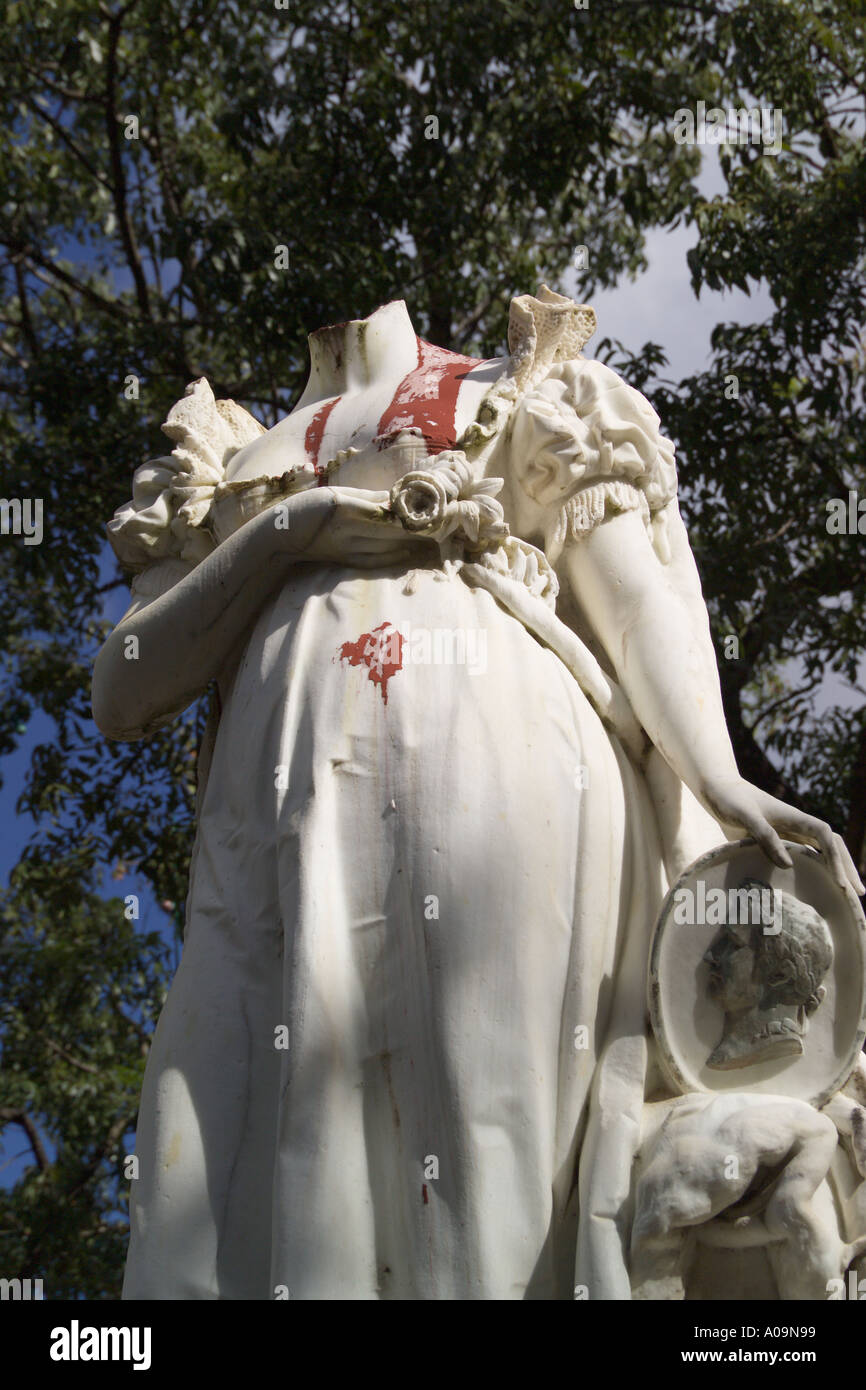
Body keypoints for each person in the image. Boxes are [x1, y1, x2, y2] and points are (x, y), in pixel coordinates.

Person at [92, 287, 862, 1300]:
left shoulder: (515, 386)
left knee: (483, 1144)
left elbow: (632, 597)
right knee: (239, 1146)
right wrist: (296, 530)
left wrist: (714, 777)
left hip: (506, 780)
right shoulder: (223, 457)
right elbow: (126, 682)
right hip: (267, 828)